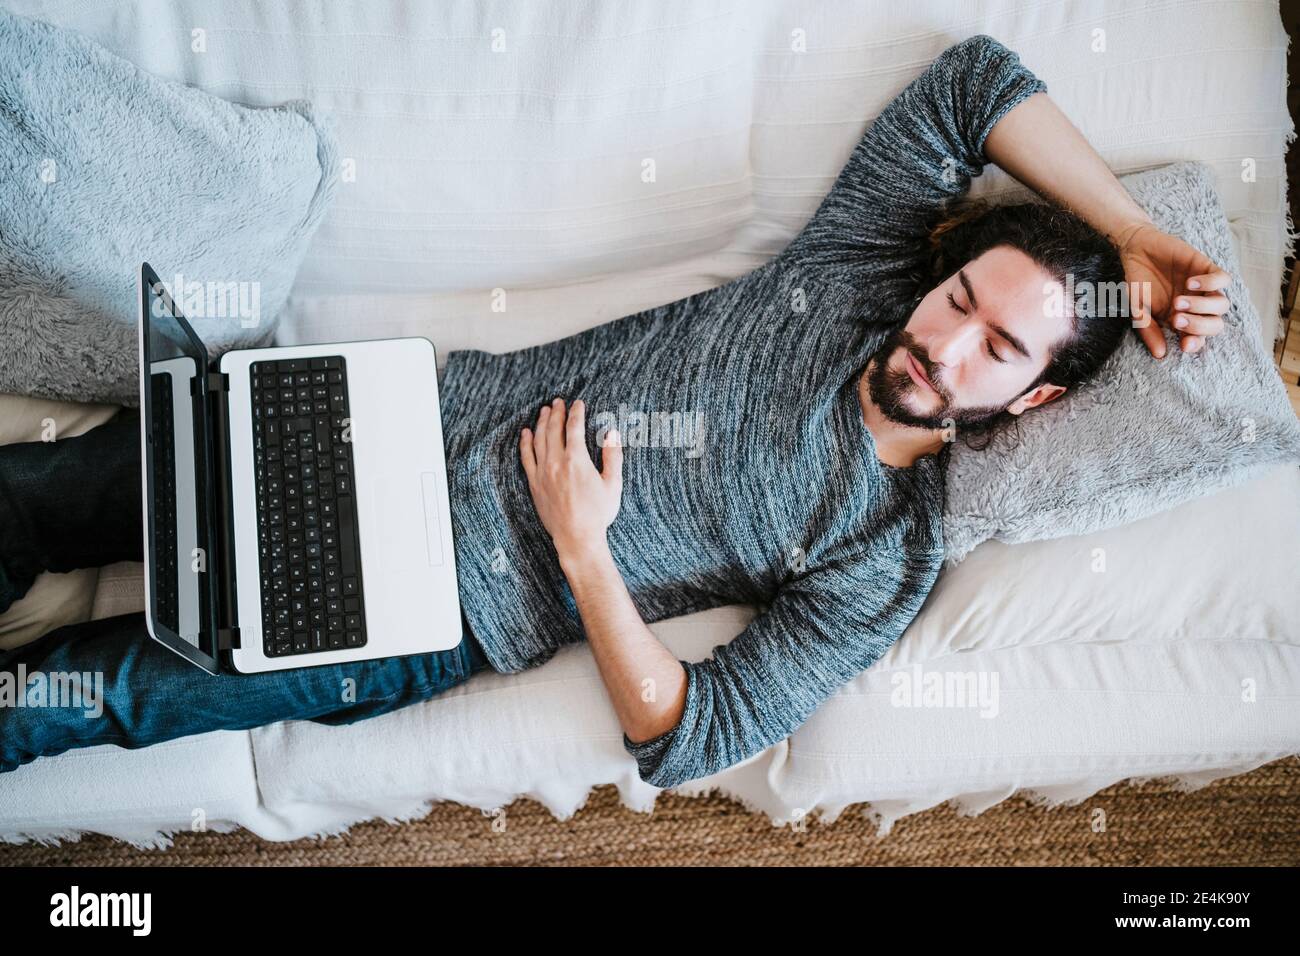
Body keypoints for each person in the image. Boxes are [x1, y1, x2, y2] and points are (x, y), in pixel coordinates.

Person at [0, 35, 1229, 786]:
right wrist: (1132, 238)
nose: (944, 342)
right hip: (377, 425)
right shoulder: (856, 274)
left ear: (1039, 394)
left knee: (85, 698)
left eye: (998, 346)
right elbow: (974, 85)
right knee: (35, 497)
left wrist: (584, 551)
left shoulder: (884, 549)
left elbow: (685, 737)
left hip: (431, 613)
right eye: (960, 298)